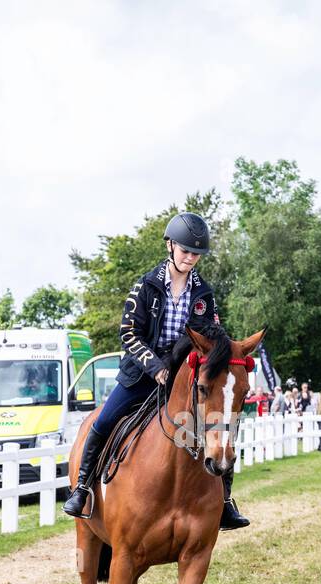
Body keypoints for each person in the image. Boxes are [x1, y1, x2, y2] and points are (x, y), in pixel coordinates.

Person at [62, 211, 247, 529]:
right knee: (104, 421)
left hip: (184, 373)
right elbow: (128, 333)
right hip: (143, 372)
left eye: (196, 253)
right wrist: (156, 367)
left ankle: (225, 501)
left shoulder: (203, 292)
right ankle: (82, 491)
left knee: (218, 423)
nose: (190, 258)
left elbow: (212, 331)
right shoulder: (146, 286)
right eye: (186, 250)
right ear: (170, 246)